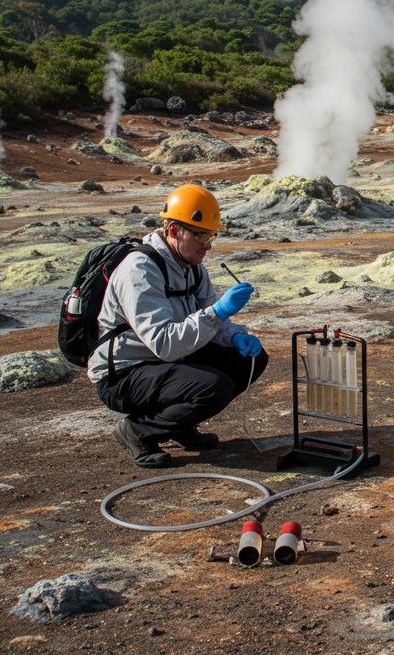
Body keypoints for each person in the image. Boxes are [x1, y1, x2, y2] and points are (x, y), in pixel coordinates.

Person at [88, 183, 268, 468]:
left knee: (248, 361)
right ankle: (137, 430)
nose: (208, 244)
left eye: (211, 235)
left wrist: (234, 336)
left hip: (164, 362)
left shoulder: (192, 267)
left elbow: (211, 321)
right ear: (174, 230)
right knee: (213, 387)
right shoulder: (140, 270)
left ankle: (179, 424)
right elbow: (165, 344)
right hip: (125, 374)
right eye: (201, 235)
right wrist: (219, 311)